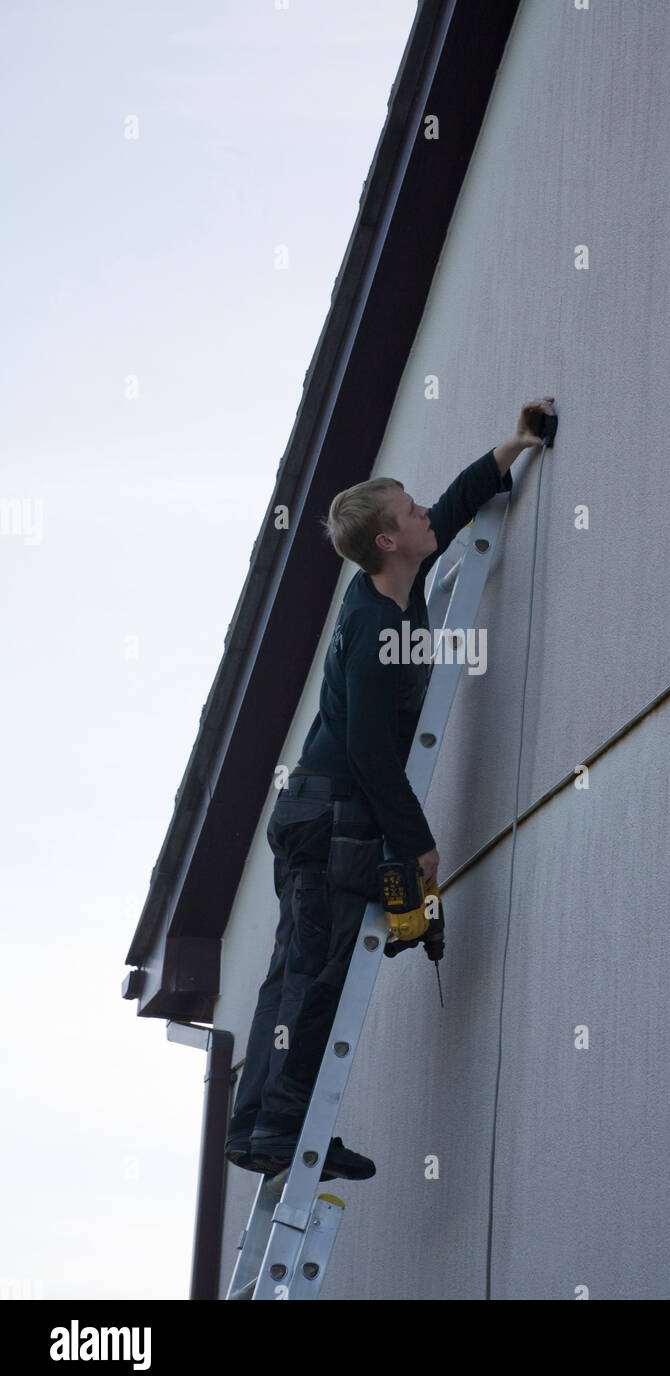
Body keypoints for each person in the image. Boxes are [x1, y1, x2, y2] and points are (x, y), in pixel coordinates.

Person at [224, 397, 556, 1180]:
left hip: (321, 809)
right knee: (318, 970)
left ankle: (264, 1124)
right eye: (406, 510)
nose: (421, 513)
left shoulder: (398, 581)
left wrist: (513, 443)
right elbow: (373, 757)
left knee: (299, 968)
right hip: (333, 810)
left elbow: (450, 509)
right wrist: (420, 845)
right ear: (386, 541)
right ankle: (282, 1131)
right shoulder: (377, 631)